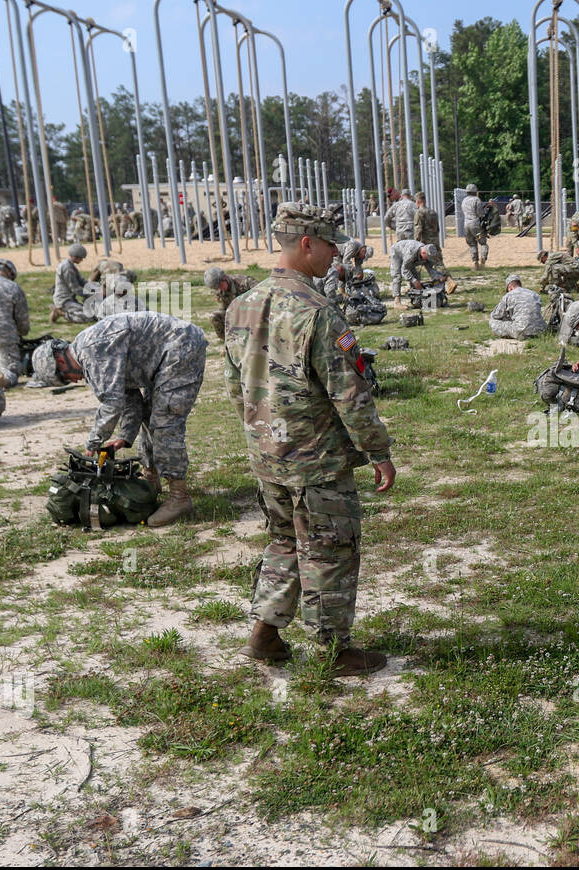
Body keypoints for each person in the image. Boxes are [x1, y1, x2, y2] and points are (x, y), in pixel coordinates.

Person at [223, 202, 395, 676]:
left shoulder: (240, 305)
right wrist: (377, 451)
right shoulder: (319, 312)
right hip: (316, 460)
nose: (336, 253)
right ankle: (332, 652)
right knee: (330, 548)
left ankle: (265, 633)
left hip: (267, 456)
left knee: (283, 540)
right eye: (330, 244)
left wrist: (260, 442)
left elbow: (235, 388)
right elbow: (350, 394)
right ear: (306, 244)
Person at [33, 310, 207, 527]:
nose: (74, 381)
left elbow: (111, 403)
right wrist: (124, 436)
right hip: (167, 354)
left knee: (165, 421)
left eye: (66, 378)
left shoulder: (90, 352)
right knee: (151, 415)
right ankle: (151, 479)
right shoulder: (90, 353)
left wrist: (93, 443)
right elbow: (129, 396)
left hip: (181, 348)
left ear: (60, 361)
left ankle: (179, 498)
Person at [203, 267, 259, 339]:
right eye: (216, 288)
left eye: (220, 285)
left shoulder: (246, 282)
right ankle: (228, 341)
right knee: (214, 317)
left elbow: (263, 297)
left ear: (225, 278)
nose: (219, 289)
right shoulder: (219, 291)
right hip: (236, 314)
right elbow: (224, 309)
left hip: (253, 312)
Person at [488, 275, 545, 340]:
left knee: (492, 321)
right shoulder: (534, 294)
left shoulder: (508, 295)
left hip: (521, 331)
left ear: (510, 288)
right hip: (540, 330)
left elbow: (496, 315)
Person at [389, 239, 445, 305]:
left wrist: (438, 278)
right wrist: (414, 281)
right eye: (428, 257)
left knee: (416, 276)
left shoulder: (427, 252)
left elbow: (430, 268)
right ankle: (397, 301)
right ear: (423, 252)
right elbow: (404, 270)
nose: (428, 259)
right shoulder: (410, 253)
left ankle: (416, 299)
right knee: (397, 276)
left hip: (410, 257)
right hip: (396, 252)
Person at [52, 243, 88, 324]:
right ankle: (61, 312)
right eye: (81, 258)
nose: (82, 260)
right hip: (64, 300)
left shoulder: (71, 266)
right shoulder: (67, 268)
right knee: (87, 316)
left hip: (70, 299)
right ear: (75, 257)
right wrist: (89, 294)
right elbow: (75, 288)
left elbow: (81, 281)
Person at [460, 184, 489, 269]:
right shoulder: (476, 199)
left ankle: (475, 262)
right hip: (475, 225)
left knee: (472, 244)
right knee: (483, 243)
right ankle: (483, 258)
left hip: (466, 224)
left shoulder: (464, 200)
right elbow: (480, 213)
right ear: (475, 191)